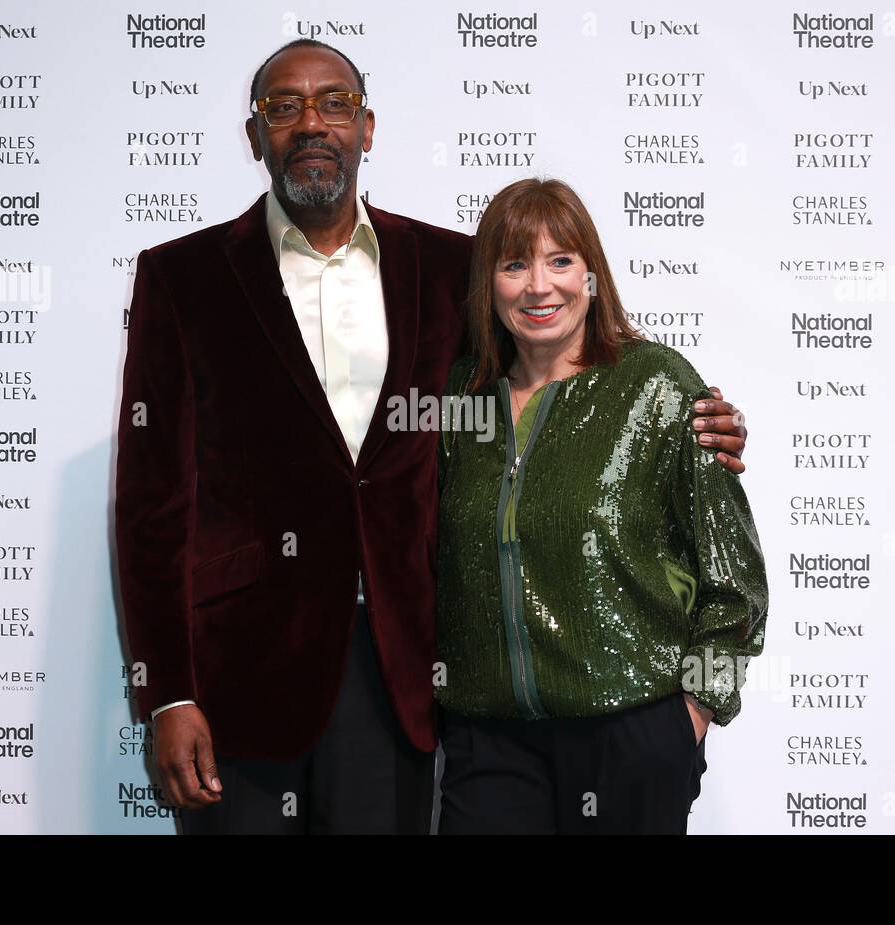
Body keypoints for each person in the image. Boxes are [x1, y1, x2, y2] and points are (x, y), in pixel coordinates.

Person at [113, 39, 750, 835]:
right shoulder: (184, 276)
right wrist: (168, 692)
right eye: (284, 106)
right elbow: (151, 506)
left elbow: (556, 365)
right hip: (240, 681)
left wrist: (699, 424)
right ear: (254, 137)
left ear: (368, 127)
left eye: (335, 103)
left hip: (402, 679)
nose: (311, 122)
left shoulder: (451, 268)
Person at [435, 178, 769, 834]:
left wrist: (695, 712)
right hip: (489, 739)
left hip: (633, 735)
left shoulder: (656, 385)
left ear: (592, 275)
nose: (539, 286)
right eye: (514, 264)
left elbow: (736, 583)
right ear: (489, 282)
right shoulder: (458, 401)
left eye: (560, 261)